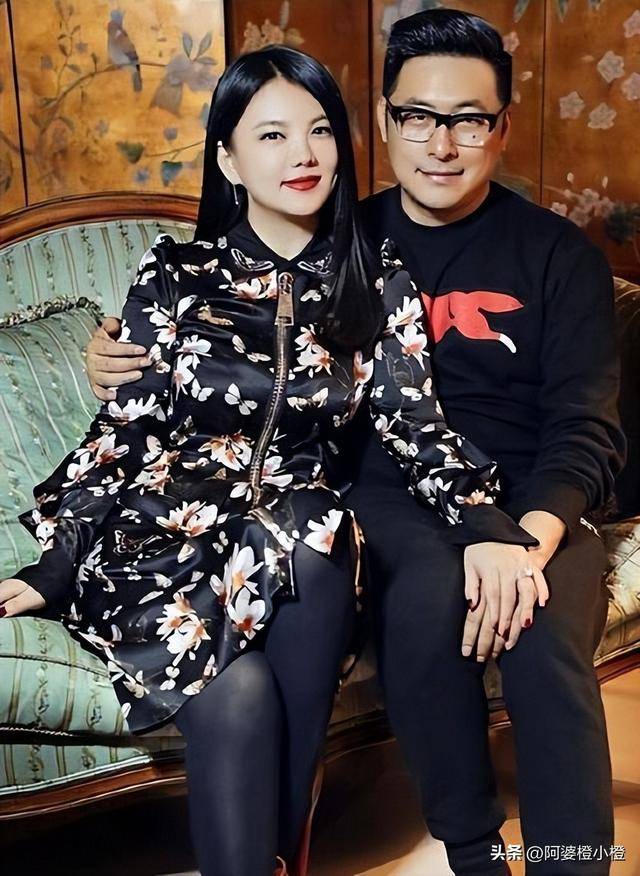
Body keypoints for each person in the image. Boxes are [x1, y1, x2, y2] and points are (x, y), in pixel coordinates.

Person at [83, 10, 627, 875]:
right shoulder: (341, 241)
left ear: (502, 127)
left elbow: (585, 427)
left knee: (542, 634)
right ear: (381, 120)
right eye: (417, 117)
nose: (440, 144)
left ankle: (573, 863)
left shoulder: (560, 257)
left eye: (468, 120)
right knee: (424, 600)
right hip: (385, 491)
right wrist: (119, 353)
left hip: (533, 497)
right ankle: (475, 852)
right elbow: (226, 337)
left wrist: (525, 539)